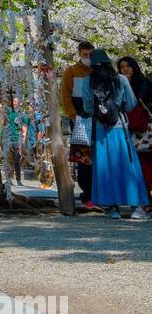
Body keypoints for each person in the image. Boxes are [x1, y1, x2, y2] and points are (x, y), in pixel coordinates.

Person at [78, 50, 148, 219]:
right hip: (120, 127)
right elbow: (131, 104)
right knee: (128, 166)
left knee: (104, 167)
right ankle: (136, 207)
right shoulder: (121, 79)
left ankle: (112, 208)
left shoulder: (88, 81)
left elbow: (87, 108)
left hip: (100, 129)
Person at [61, 40, 94, 208]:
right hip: (79, 118)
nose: (87, 57)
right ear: (79, 54)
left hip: (97, 119)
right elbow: (65, 95)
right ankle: (86, 192)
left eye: (90, 54)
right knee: (83, 156)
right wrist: (73, 115)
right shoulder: (71, 71)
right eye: (84, 55)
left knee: (97, 155)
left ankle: (98, 191)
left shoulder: (97, 71)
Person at [118, 56, 152, 204]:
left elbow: (138, 101)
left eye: (128, 66)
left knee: (147, 163)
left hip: (144, 128)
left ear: (134, 67)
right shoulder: (119, 84)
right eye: (122, 67)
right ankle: (144, 198)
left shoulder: (143, 82)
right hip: (128, 127)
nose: (125, 69)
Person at [3, 93, 29, 185]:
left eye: (15, 101)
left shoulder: (23, 115)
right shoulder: (9, 113)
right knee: (9, 160)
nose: (13, 102)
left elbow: (24, 129)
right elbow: (5, 124)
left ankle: (18, 180)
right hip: (8, 138)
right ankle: (9, 179)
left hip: (17, 139)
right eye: (13, 101)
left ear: (20, 103)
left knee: (17, 160)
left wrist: (22, 142)